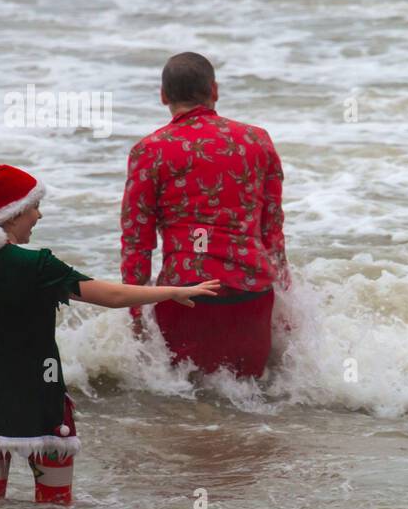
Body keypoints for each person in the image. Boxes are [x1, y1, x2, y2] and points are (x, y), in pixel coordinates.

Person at [0, 165, 219, 504]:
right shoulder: (38, 264)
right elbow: (110, 296)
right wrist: (169, 292)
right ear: (12, 215)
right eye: (32, 207)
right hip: (40, 404)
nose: (38, 215)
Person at [121, 52, 290, 378]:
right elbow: (272, 227)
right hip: (252, 293)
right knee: (253, 404)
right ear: (214, 90)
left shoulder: (150, 150)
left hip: (184, 297)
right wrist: (285, 296)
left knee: (180, 403)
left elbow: (136, 239)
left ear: (163, 95)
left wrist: (135, 311)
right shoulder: (256, 140)